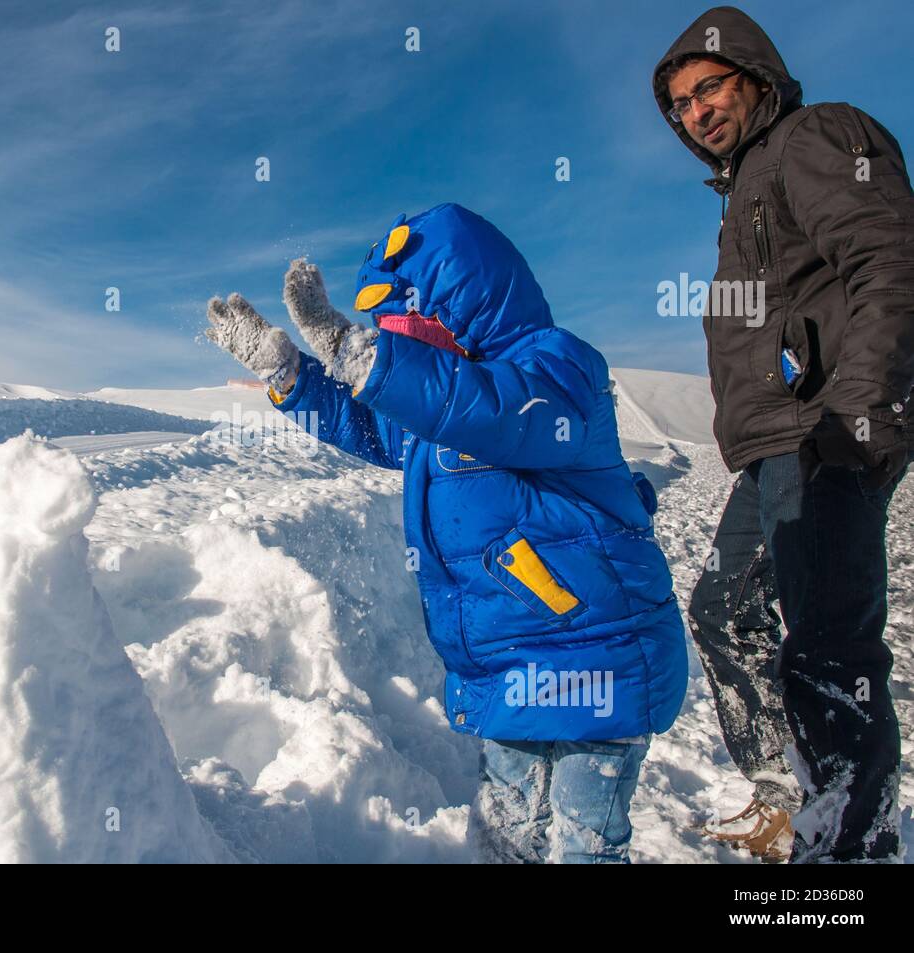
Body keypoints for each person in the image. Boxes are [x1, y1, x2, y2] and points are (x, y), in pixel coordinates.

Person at [204, 202, 688, 862]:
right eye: (390, 327)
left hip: (596, 656)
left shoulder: (555, 368)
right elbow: (373, 421)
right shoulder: (439, 402)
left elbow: (487, 408)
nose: (397, 336)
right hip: (511, 671)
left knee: (586, 846)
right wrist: (290, 373)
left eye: (407, 321)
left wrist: (359, 351)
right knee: (505, 839)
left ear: (466, 297)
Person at [653, 5, 914, 862]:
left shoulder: (815, 138)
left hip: (827, 430)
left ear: (758, 78)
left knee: (828, 650)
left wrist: (863, 405)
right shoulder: (744, 194)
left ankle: (847, 853)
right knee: (725, 611)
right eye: (683, 104)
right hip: (775, 445)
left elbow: (889, 259)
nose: (698, 112)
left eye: (711, 88)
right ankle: (785, 788)